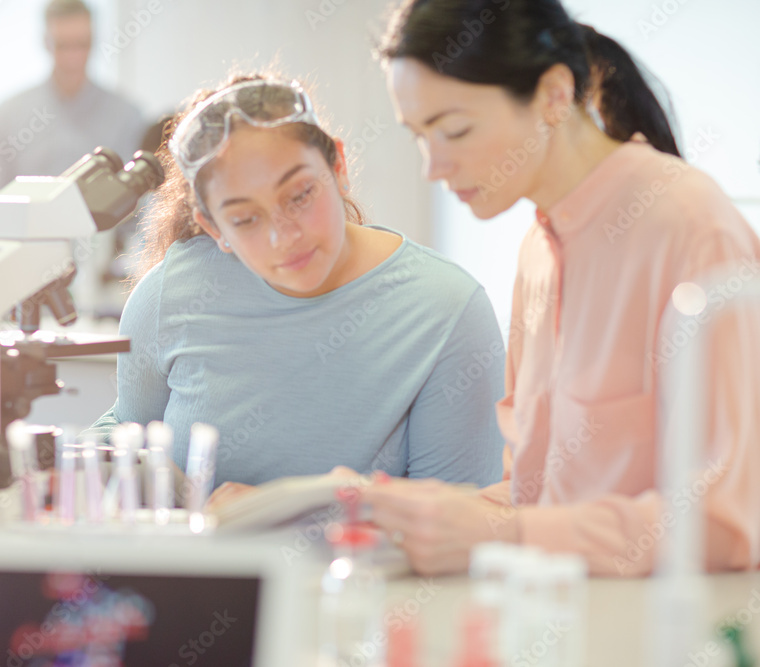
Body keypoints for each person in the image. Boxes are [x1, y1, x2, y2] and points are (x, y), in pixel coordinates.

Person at [364, 0, 760, 576]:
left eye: (454, 129)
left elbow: (730, 522)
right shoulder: (537, 252)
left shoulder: (692, 227)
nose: (433, 165)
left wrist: (508, 532)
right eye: (418, 135)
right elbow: (536, 500)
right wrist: (422, 518)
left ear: (553, 95)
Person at [86, 74, 507, 495]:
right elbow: (128, 438)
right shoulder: (170, 295)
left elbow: (462, 520)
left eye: (300, 195)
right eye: (245, 219)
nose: (283, 236)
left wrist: (280, 510)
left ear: (338, 168)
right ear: (213, 227)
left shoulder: (446, 309)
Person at [0, 0, 145, 187]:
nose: (73, 57)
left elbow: (138, 203)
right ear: (46, 42)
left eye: (81, 44)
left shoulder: (128, 117)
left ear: (93, 41)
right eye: (63, 45)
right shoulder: (8, 115)